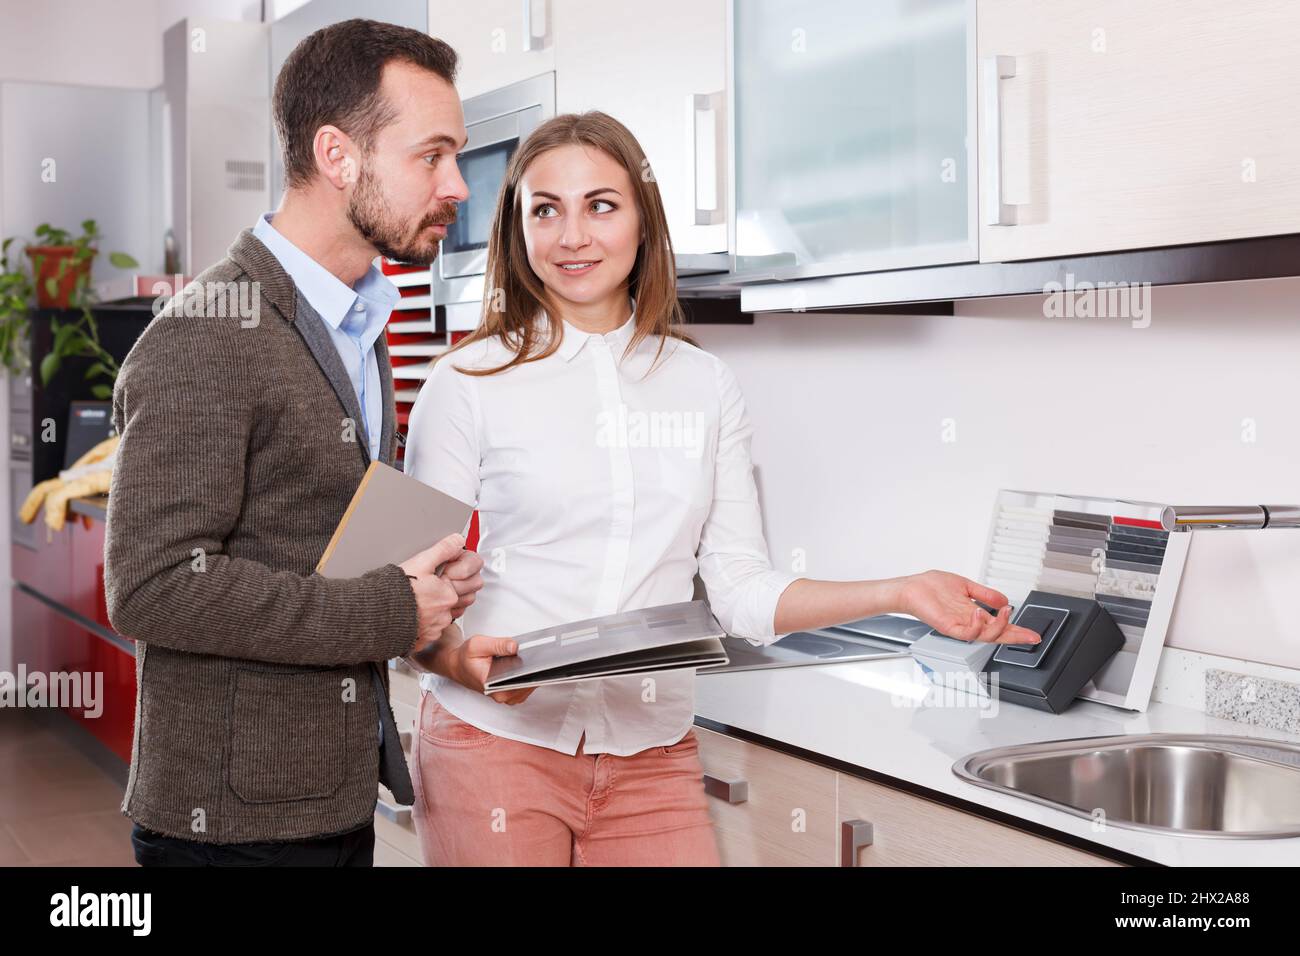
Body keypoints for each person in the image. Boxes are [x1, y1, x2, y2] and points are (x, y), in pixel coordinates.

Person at [402, 110, 1042, 867]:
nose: (573, 236)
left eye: (601, 205)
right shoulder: (466, 383)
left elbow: (738, 589)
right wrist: (455, 662)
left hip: (652, 754)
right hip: (494, 749)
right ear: (521, 231)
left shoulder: (704, 384)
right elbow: (408, 600)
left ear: (644, 221)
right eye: (547, 210)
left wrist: (900, 592)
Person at [104, 19, 492, 867]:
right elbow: (152, 586)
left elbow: (307, 532)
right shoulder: (208, 332)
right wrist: (391, 607)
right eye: (431, 156)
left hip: (327, 796)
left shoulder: (359, 319)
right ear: (337, 155)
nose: (458, 184)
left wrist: (421, 582)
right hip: (234, 831)